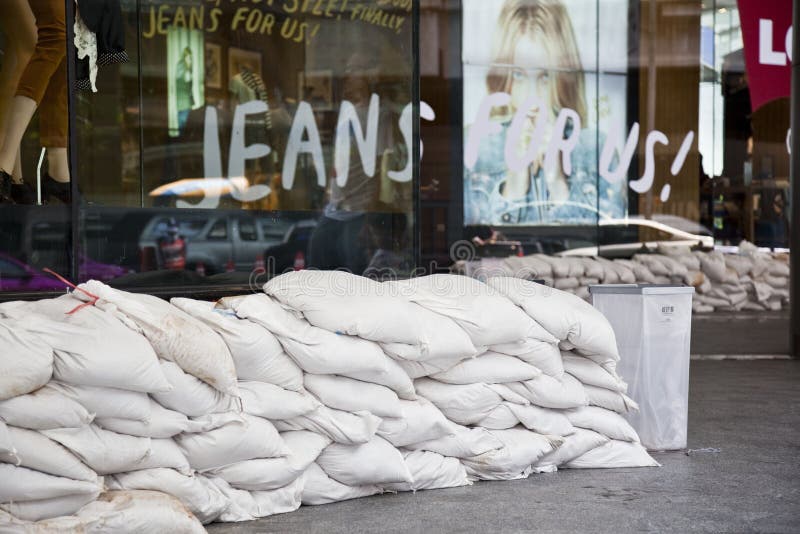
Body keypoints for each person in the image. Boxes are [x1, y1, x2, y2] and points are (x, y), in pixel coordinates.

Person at [465, 0, 624, 225]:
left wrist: (558, 183)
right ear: (505, 81)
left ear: (562, 81)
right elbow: (469, 246)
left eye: (544, 76)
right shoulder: (478, 147)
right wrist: (513, 190)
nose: (532, 96)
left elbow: (612, 241)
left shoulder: (597, 150)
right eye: (518, 75)